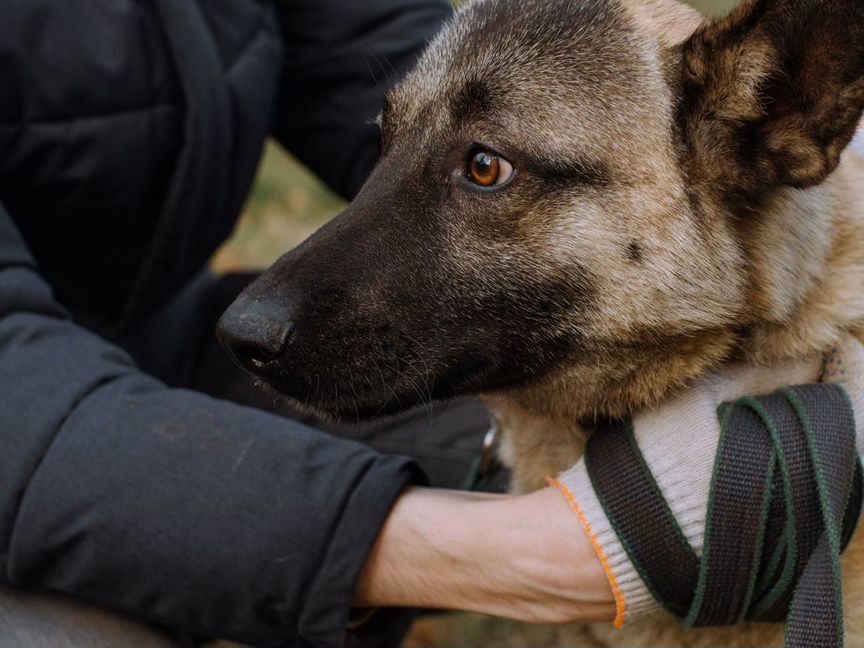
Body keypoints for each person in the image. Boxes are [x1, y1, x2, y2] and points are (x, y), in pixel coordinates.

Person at [1, 1, 861, 647]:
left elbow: (375, 48)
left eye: (485, 167)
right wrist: (541, 551)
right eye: (483, 166)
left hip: (144, 341)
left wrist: (634, 75)